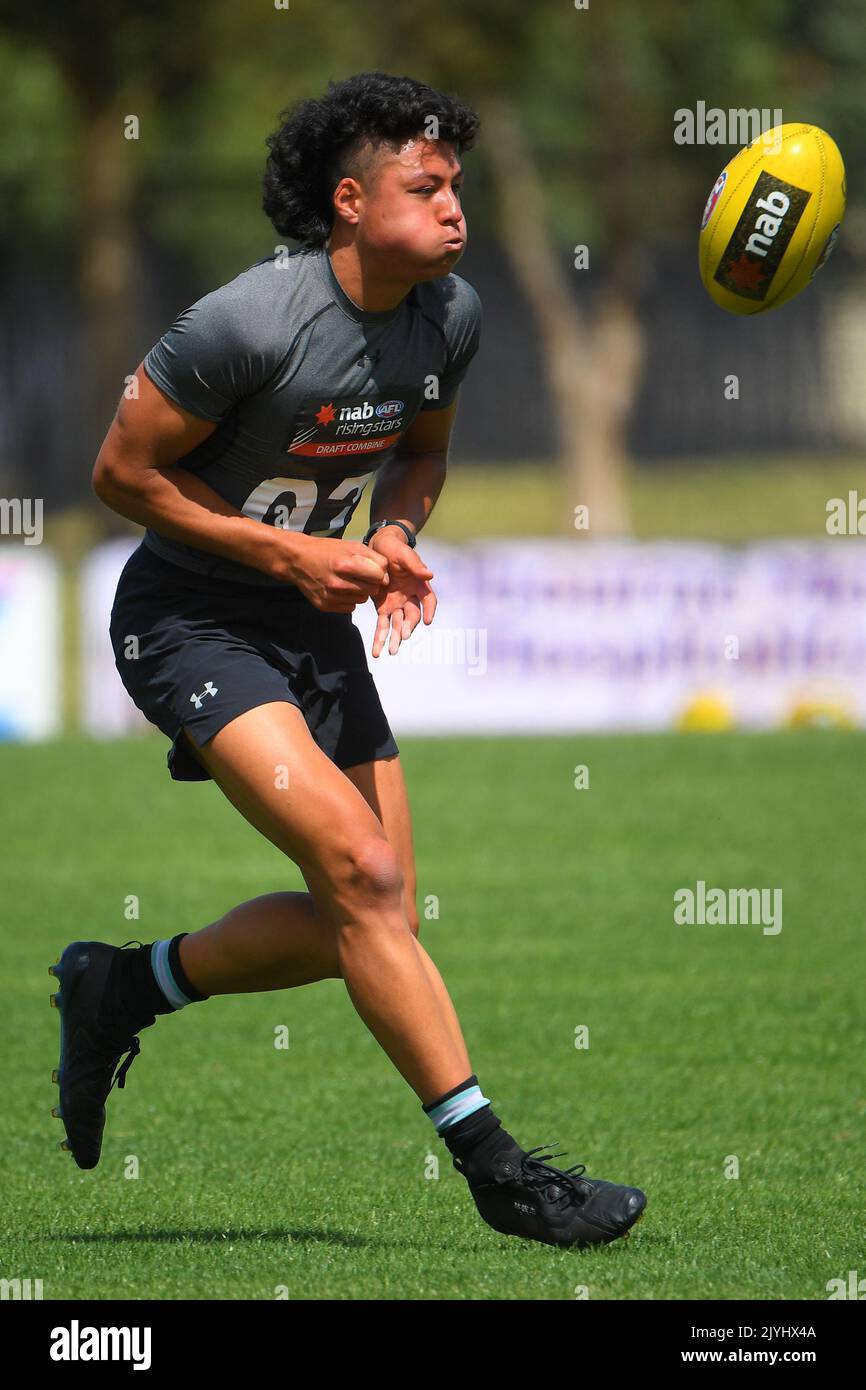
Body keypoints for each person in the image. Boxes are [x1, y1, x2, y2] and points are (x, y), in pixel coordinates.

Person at [49, 70, 646, 1250]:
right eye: (425, 187)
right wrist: (283, 555)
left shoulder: (449, 315)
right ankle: (498, 1172)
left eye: (457, 187)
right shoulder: (244, 323)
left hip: (308, 618)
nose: (453, 208)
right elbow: (119, 476)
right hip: (188, 622)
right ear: (349, 201)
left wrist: (391, 534)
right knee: (365, 880)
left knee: (377, 918)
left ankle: (129, 984)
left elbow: (420, 453)